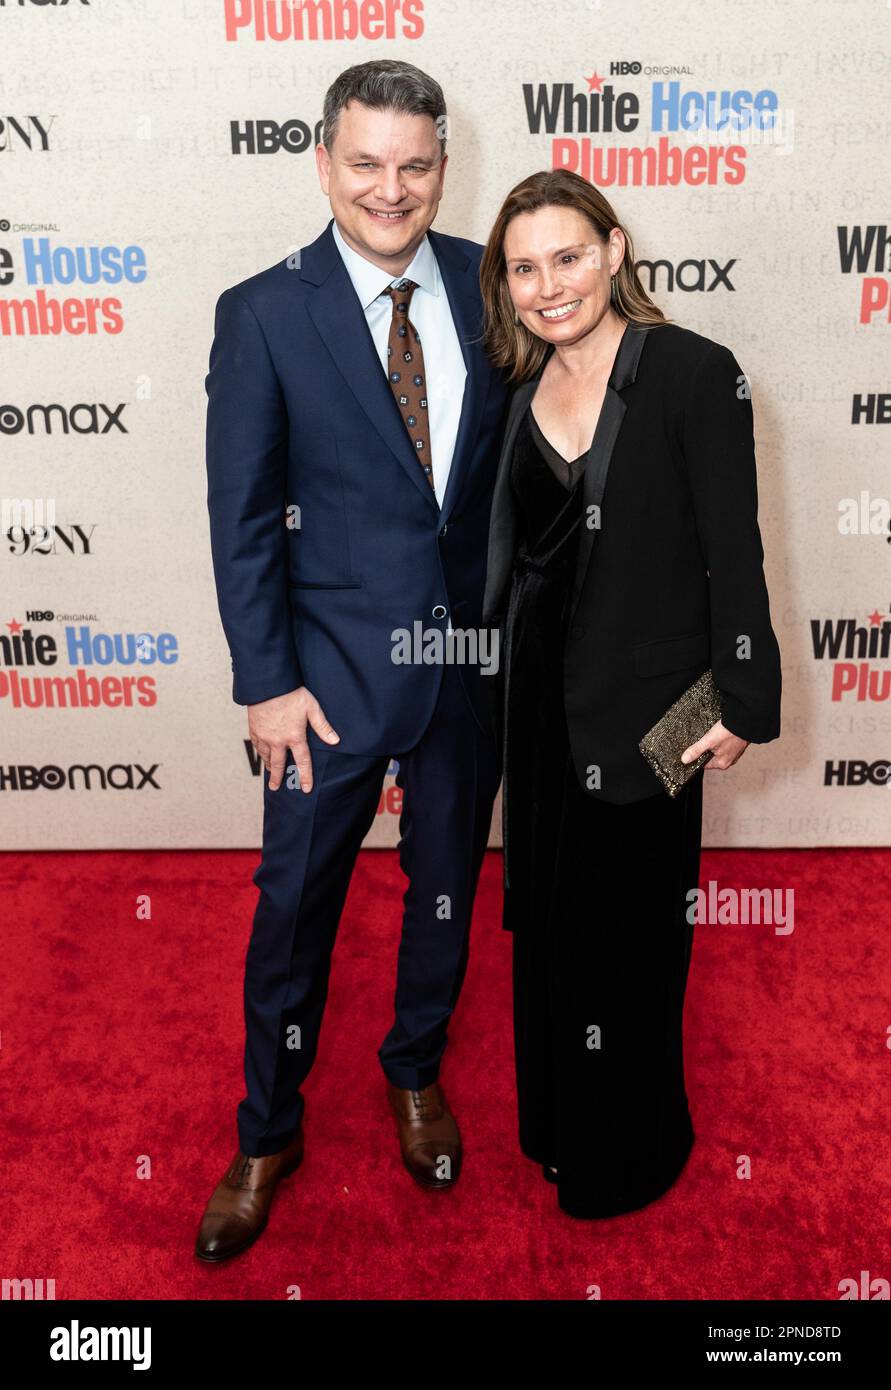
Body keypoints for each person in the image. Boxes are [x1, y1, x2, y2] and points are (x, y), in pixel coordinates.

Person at [196, 60, 507, 1262]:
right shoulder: (263, 311)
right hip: (318, 685)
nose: (392, 188)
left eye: (415, 164)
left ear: (443, 165)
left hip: (466, 669)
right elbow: (242, 517)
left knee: (444, 892)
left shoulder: (494, 283)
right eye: (366, 162)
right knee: (293, 913)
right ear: (322, 161)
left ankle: (415, 1071)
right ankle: (268, 1129)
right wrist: (267, 683)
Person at [480, 169, 782, 1220]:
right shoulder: (522, 396)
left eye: (568, 256)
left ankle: (634, 1147)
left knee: (636, 932)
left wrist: (739, 698)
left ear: (615, 249)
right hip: (540, 716)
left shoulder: (696, 373)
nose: (549, 284)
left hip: (658, 716)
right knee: (556, 928)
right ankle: (563, 1128)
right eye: (524, 267)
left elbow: (729, 552)